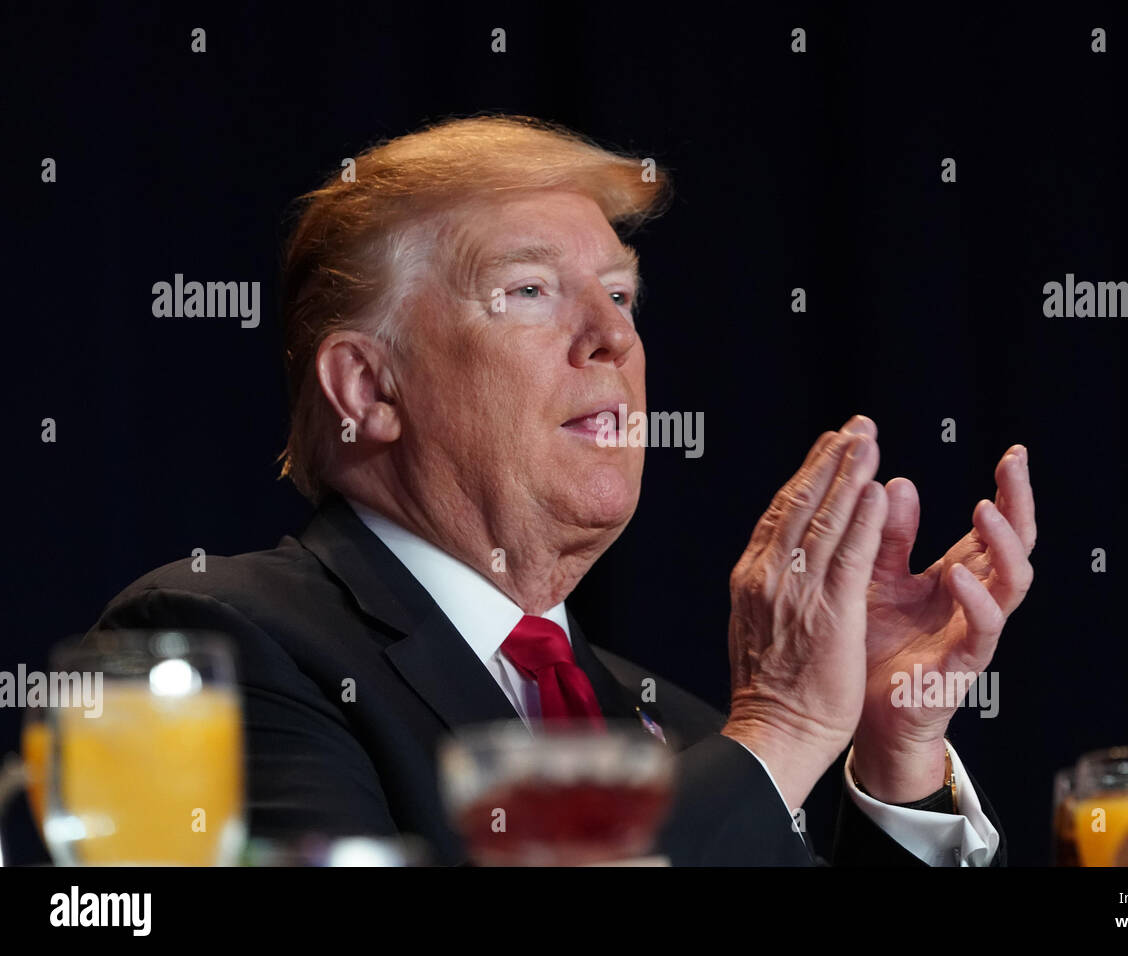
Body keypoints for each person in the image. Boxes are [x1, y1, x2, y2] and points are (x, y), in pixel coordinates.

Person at [91, 114, 1036, 865]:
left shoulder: (682, 730)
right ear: (369, 389)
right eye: (530, 290)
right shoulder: (222, 646)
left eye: (621, 295)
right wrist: (783, 735)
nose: (613, 338)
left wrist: (891, 760)